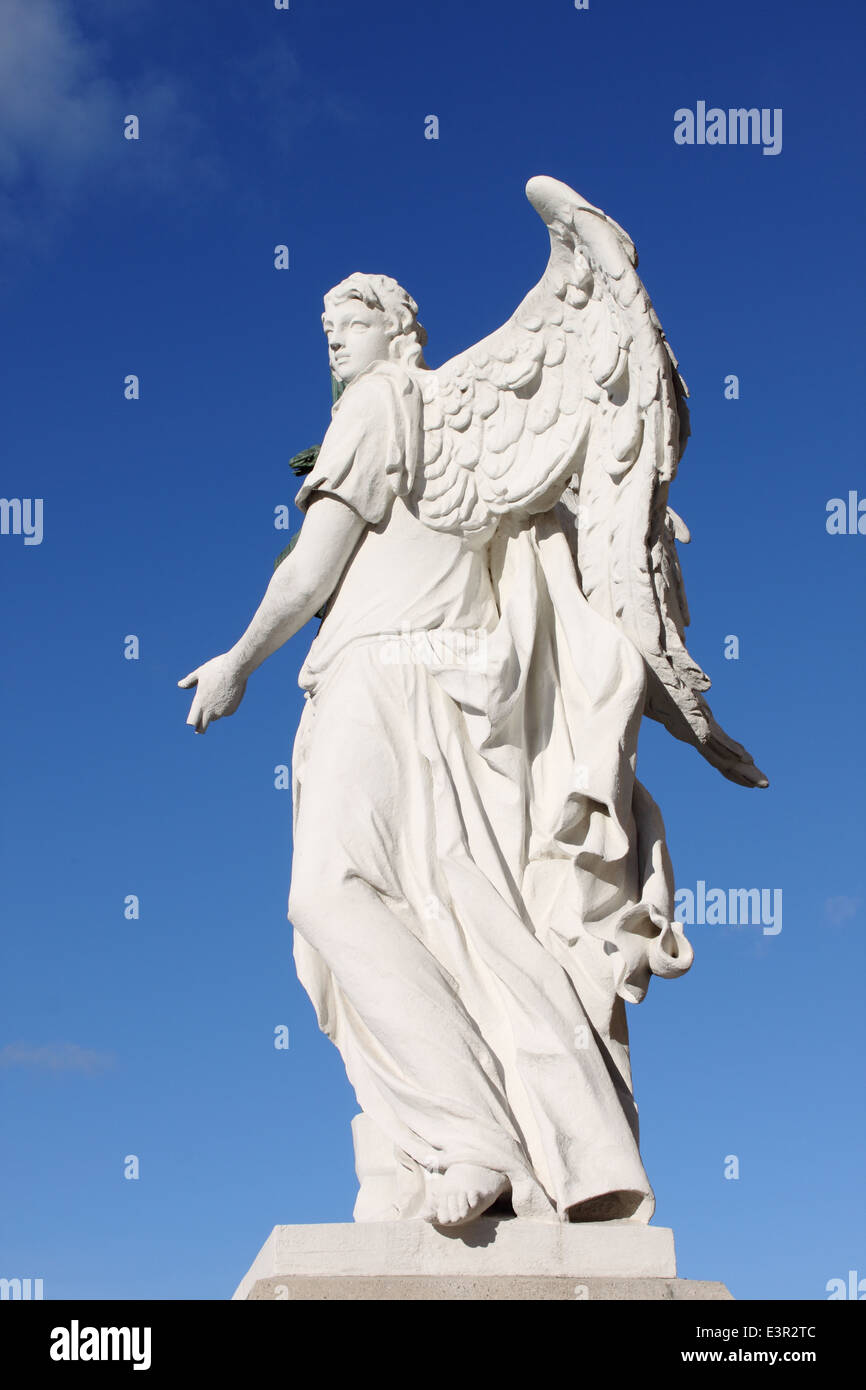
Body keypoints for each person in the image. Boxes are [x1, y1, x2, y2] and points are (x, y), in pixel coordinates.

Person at [180, 269, 695, 1228]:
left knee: (330, 895)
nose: (335, 338)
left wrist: (238, 660)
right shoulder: (449, 421)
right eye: (326, 324)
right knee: (446, 919)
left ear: (401, 330)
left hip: (383, 680)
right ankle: (457, 1144)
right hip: (434, 690)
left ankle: (472, 1138)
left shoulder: (382, 403)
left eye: (354, 319)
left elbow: (314, 563)